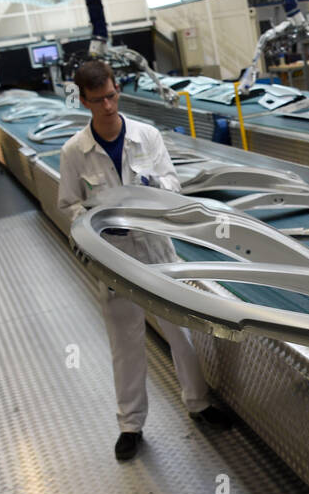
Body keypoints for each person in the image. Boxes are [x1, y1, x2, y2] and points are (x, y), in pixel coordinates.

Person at [57, 60, 232, 461]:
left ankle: (198, 404)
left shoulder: (146, 136)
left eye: (113, 96)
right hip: (114, 260)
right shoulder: (75, 153)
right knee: (126, 344)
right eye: (98, 100)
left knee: (180, 331)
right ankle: (130, 425)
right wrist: (92, 225)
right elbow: (67, 204)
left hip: (156, 253)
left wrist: (157, 186)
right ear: (83, 101)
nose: (108, 106)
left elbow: (174, 182)